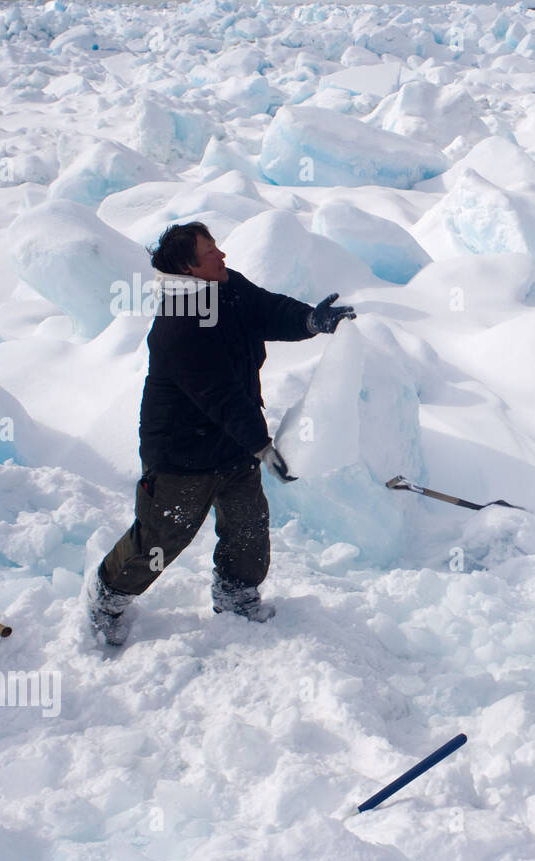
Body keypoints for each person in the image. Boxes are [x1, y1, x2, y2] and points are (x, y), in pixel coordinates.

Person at [84, 221, 356, 645]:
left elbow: (266, 309)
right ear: (189, 269)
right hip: (181, 454)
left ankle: (236, 595)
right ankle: (108, 597)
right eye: (211, 252)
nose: (222, 256)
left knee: (248, 523)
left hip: (232, 442)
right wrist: (262, 445)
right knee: (163, 536)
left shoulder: (227, 286)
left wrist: (309, 320)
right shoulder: (178, 324)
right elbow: (218, 394)